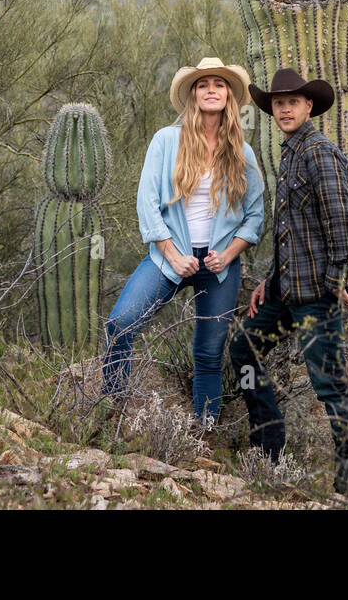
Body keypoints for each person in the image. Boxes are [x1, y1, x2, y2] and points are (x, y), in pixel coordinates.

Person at [229, 66, 348, 499]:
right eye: (278, 103)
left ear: (309, 106)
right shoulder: (291, 152)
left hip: (314, 297)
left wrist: (335, 281)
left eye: (293, 101)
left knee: (329, 386)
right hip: (285, 291)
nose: (285, 108)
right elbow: (293, 230)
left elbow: (341, 223)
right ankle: (268, 448)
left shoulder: (318, 153)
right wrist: (269, 280)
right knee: (244, 348)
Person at [101, 57, 265, 429]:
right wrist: (174, 257)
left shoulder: (244, 153)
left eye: (219, 84)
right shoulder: (166, 140)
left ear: (228, 96)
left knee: (208, 354)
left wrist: (227, 254)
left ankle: (202, 433)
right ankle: (113, 411)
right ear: (193, 94)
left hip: (219, 266)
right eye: (203, 83)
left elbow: (255, 215)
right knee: (120, 324)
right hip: (168, 258)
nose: (211, 89)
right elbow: (147, 204)